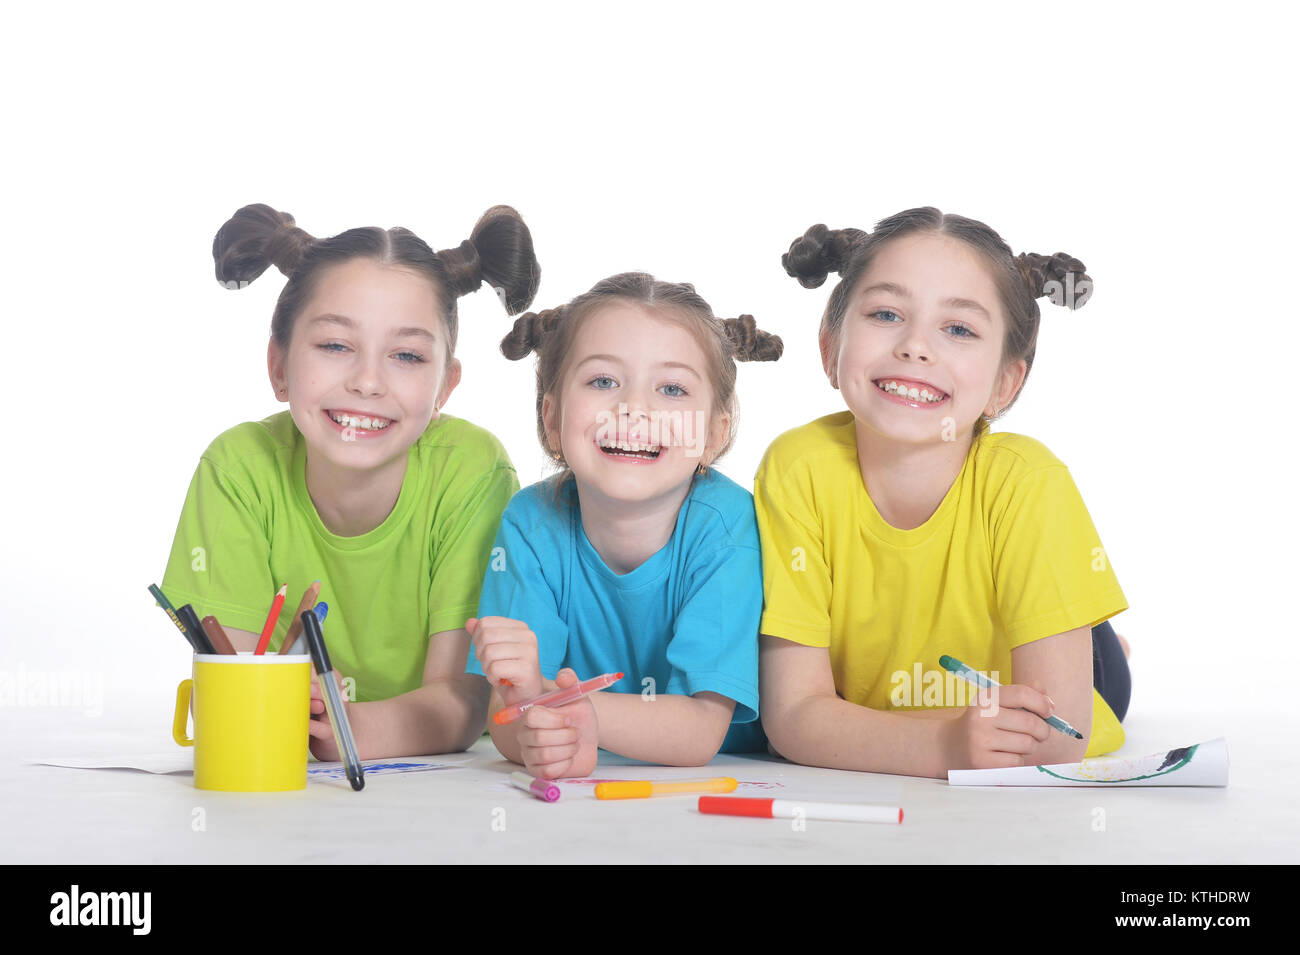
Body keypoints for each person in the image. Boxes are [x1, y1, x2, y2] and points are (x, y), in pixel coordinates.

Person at [757, 207, 1132, 777]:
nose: (915, 346)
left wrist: (885, 736)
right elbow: (792, 717)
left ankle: (1103, 641)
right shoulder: (796, 468)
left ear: (1006, 383)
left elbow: (1060, 738)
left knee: (1105, 667)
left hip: (1044, 669)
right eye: (886, 313)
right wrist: (946, 747)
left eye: (958, 329)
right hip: (930, 697)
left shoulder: (1028, 481)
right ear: (831, 347)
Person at [161, 202, 540, 759]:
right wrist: (286, 711)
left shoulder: (472, 470)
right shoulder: (237, 468)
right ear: (279, 366)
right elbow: (227, 688)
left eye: (407, 355)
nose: (367, 381)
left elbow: (462, 698)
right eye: (335, 346)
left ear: (445, 388)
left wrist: (350, 729)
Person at [465, 272, 781, 778]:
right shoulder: (529, 522)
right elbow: (505, 725)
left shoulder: (724, 527)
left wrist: (563, 709)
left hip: (726, 774)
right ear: (551, 418)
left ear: (715, 434)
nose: (634, 409)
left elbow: (700, 731)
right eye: (603, 382)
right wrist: (531, 711)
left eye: (672, 388)